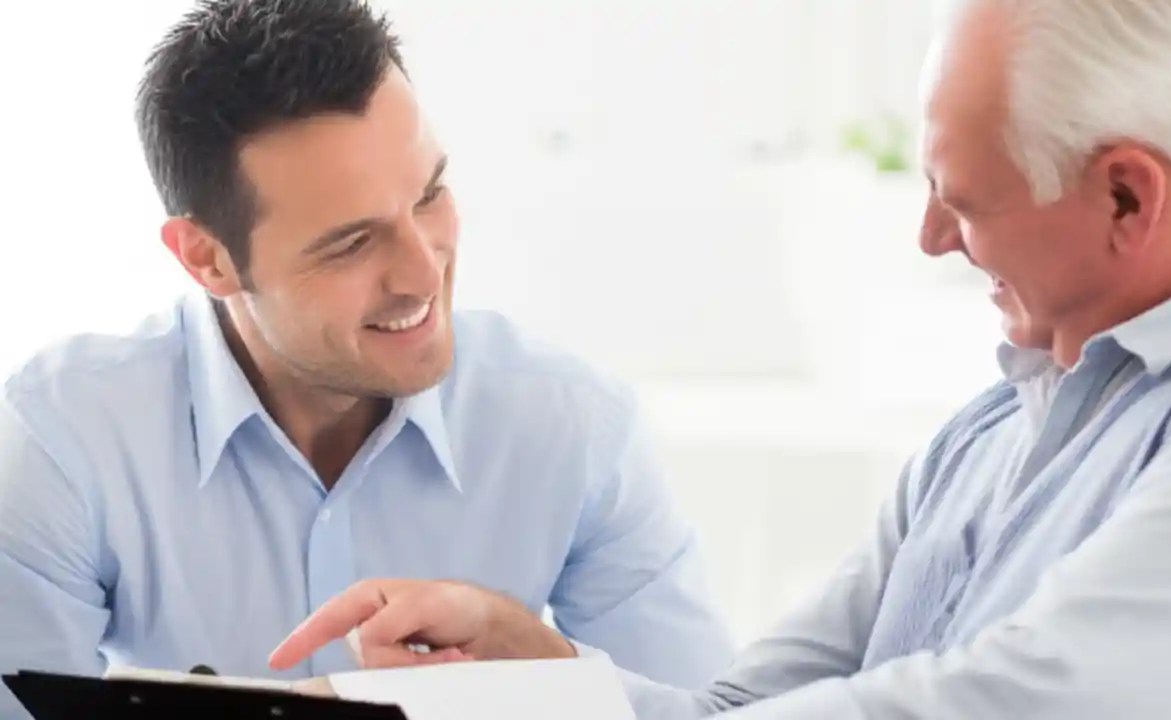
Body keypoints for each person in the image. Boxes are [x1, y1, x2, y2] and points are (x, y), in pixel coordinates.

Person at [267, 0, 1171, 717]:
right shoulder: (986, 434)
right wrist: (534, 671)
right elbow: (741, 709)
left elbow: (1019, 702)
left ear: (1125, 197)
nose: (930, 238)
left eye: (964, 201)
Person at [0, 1, 734, 716]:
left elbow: (708, 713)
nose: (423, 273)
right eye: (351, 243)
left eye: (430, 194)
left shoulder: (576, 427)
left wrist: (543, 665)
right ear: (208, 259)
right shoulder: (66, 439)